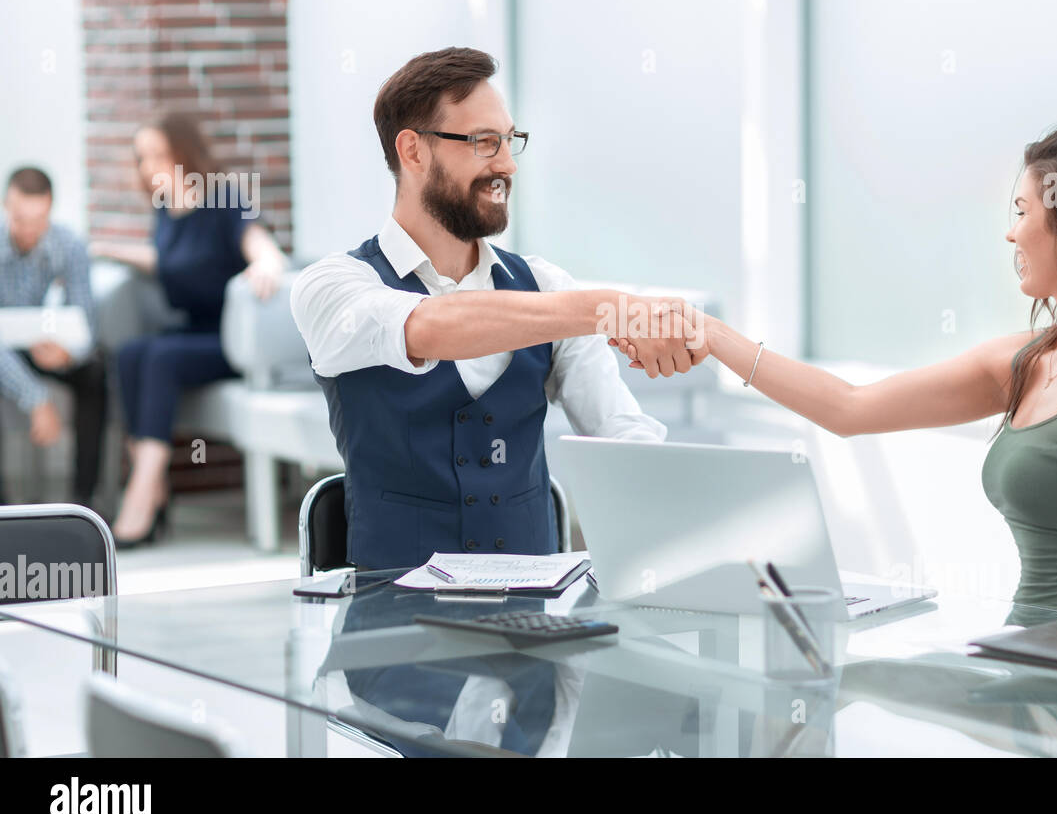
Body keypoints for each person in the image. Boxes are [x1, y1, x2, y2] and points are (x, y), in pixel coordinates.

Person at [616, 126, 1057, 620]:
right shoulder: (1025, 361)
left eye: (1023, 211)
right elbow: (849, 408)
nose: (1009, 230)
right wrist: (715, 336)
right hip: (1029, 654)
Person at [291, 46, 697, 571]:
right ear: (413, 151)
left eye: (509, 141)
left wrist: (691, 501)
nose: (505, 164)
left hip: (537, 629)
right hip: (389, 629)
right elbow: (429, 327)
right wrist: (608, 308)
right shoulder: (334, 287)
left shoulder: (548, 287)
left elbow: (620, 433)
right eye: (483, 143)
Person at [90, 113, 288, 547]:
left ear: (185, 153)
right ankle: (154, 489)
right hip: (194, 330)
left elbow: (261, 247)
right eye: (142, 157)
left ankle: (141, 497)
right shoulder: (165, 209)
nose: (148, 166)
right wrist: (109, 250)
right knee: (130, 353)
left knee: (161, 357)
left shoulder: (223, 198)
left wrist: (267, 264)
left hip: (231, 339)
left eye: (158, 154)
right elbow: (168, 260)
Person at [0, 167, 108, 508]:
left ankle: (83, 500)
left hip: (53, 350)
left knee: (97, 370)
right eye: (20, 219)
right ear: (5, 207)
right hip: (5, 354)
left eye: (38, 219)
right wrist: (36, 397)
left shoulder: (70, 245)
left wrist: (68, 354)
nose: (29, 229)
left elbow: (85, 324)